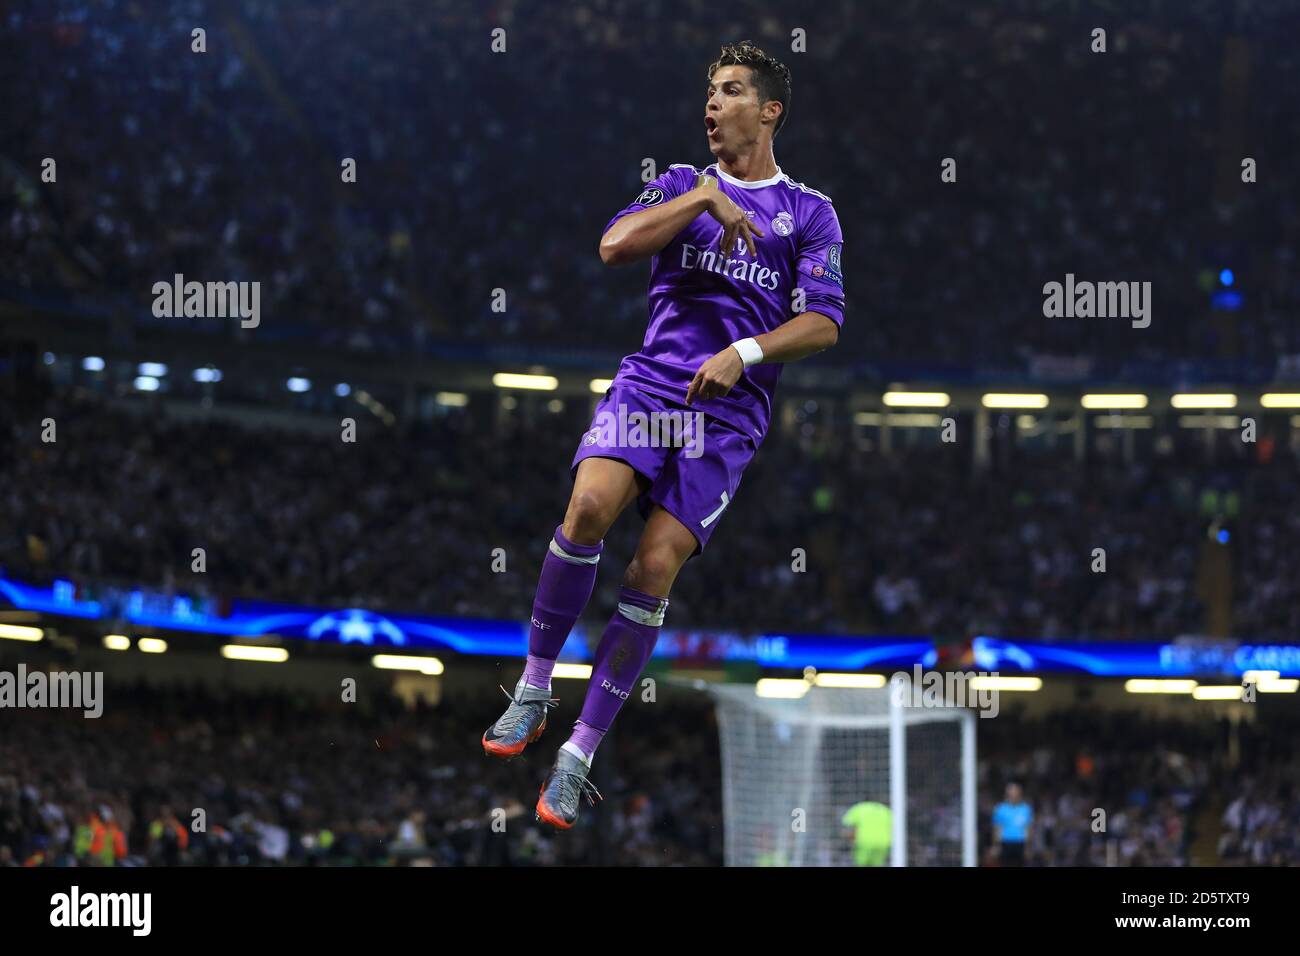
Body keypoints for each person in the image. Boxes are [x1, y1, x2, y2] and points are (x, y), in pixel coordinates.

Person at [481, 40, 846, 830]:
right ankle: (536, 688)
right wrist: (700, 202)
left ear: (770, 109)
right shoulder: (681, 183)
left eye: (731, 91)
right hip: (653, 385)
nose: (713, 105)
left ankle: (577, 755)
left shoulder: (811, 212)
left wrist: (744, 352)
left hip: (729, 415)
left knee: (653, 564)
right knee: (586, 510)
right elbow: (614, 245)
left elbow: (824, 322)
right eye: (710, 92)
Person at [992, 782, 1033, 866]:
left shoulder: (1025, 809)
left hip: (1020, 843)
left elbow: (1028, 828)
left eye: (1015, 792)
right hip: (1006, 843)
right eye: (1011, 792)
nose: (1013, 794)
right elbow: (997, 828)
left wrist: (1028, 847)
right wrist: (996, 845)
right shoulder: (1001, 809)